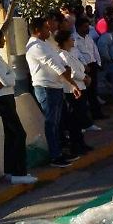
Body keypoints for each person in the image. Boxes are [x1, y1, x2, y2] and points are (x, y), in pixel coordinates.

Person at [26, 17, 82, 167]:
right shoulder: (36, 47)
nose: (49, 30)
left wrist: (67, 73)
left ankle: (59, 152)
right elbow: (55, 65)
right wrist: (72, 84)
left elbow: (59, 61)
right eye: (45, 28)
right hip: (46, 88)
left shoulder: (45, 44)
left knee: (57, 123)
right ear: (37, 30)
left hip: (54, 87)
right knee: (51, 123)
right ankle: (55, 156)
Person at [0, 29, 37, 184]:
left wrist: (8, 75)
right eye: (1, 39)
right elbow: (9, 80)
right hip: (1, 99)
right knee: (19, 134)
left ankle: (11, 171)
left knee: (12, 134)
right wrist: (9, 75)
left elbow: (8, 76)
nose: (4, 41)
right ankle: (19, 172)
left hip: (5, 97)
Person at [57, 31, 92, 157]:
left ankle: (81, 142)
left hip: (81, 86)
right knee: (74, 119)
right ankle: (76, 145)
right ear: (65, 41)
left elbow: (79, 68)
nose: (73, 41)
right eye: (71, 39)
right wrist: (84, 77)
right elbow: (71, 73)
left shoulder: (70, 53)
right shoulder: (63, 55)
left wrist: (85, 76)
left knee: (80, 117)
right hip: (72, 90)